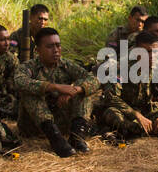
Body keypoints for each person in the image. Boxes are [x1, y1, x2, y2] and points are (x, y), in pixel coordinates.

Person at [13, 27, 100, 157]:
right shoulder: (28, 67)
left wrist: (75, 90)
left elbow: (93, 79)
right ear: (37, 51)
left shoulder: (65, 65)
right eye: (49, 46)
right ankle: (55, 138)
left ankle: (77, 136)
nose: (56, 50)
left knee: (84, 89)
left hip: (61, 121)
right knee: (30, 92)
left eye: (58, 45)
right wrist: (55, 87)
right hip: (34, 126)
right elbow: (20, 82)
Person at [98, 30, 158, 140]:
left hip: (146, 110)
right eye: (147, 52)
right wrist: (136, 115)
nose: (152, 56)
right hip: (126, 112)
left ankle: (136, 131)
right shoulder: (121, 68)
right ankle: (141, 130)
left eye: (155, 52)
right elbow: (111, 98)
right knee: (112, 114)